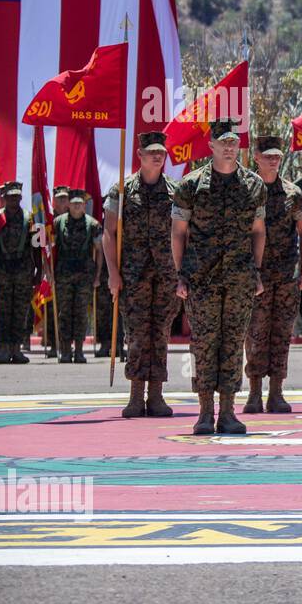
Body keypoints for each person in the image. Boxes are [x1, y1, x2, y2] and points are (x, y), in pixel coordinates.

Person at [172, 119, 267, 435]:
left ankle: (228, 412)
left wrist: (255, 271)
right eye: (223, 142)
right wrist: (179, 276)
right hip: (202, 280)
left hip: (239, 278)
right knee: (203, 344)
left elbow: (258, 232)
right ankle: (204, 413)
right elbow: (179, 233)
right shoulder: (191, 186)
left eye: (233, 141)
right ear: (211, 145)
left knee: (232, 344)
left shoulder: (254, 186)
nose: (229, 146)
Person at [105, 131, 178, 417]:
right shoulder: (121, 191)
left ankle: (156, 395)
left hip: (165, 276)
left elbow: (182, 234)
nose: (157, 156)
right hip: (132, 277)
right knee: (136, 335)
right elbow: (108, 234)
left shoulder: (175, 191)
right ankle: (136, 395)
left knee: (160, 334)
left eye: (161, 152)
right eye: (151, 152)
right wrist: (113, 274)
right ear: (139, 155)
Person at [243, 135, 302, 414]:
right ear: (256, 158)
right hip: (256, 276)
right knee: (255, 334)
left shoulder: (293, 194)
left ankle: (277, 392)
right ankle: (255, 392)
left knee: (281, 335)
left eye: (277, 156)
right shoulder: (246, 191)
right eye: (267, 155)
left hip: (285, 276)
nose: (273, 160)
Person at [53, 189, 102, 363]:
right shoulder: (58, 223)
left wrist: (97, 276)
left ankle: (79, 351)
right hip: (64, 275)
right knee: (64, 313)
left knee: (81, 313)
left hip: (84, 277)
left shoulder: (93, 225)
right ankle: (66, 350)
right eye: (73, 203)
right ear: (68, 205)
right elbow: (52, 249)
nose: (76, 206)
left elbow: (99, 251)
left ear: (84, 206)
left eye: (79, 204)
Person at [0, 182, 38, 363]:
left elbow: (37, 246)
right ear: (4, 198)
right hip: (2, 272)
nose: (13, 199)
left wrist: (39, 270)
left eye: (16, 196)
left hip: (23, 272)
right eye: (10, 196)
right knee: (3, 312)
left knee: (20, 312)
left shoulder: (30, 218)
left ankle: (16, 349)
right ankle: (3, 349)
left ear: (20, 197)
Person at [43, 185, 71, 358]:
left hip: (68, 273)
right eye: (59, 198)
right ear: (53, 200)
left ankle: (66, 345)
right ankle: (53, 345)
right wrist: (46, 270)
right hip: (54, 273)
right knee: (52, 311)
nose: (62, 201)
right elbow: (41, 248)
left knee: (66, 312)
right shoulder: (48, 221)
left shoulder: (74, 220)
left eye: (65, 198)